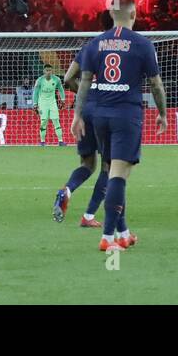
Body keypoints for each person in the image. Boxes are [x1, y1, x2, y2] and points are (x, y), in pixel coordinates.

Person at [70, 0, 165, 253]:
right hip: (126, 115)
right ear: (134, 14)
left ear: (111, 14)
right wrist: (163, 113)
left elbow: (84, 82)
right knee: (118, 175)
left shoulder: (95, 44)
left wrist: (78, 115)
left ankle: (123, 234)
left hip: (99, 115)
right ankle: (108, 238)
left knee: (113, 171)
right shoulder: (142, 44)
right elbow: (155, 84)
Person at [52, 46, 110, 229]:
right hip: (107, 108)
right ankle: (89, 215)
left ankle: (67, 190)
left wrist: (86, 95)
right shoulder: (124, 48)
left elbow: (68, 78)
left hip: (86, 109)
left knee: (87, 164)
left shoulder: (89, 48)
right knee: (108, 167)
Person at [32, 56, 65, 146]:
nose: (48, 72)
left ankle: (61, 141)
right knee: (43, 122)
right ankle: (42, 142)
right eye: (47, 70)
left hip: (52, 102)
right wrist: (35, 104)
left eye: (50, 70)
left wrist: (63, 99)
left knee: (56, 120)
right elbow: (35, 92)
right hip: (42, 103)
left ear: (52, 71)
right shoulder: (39, 80)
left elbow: (61, 89)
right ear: (44, 71)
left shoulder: (56, 79)